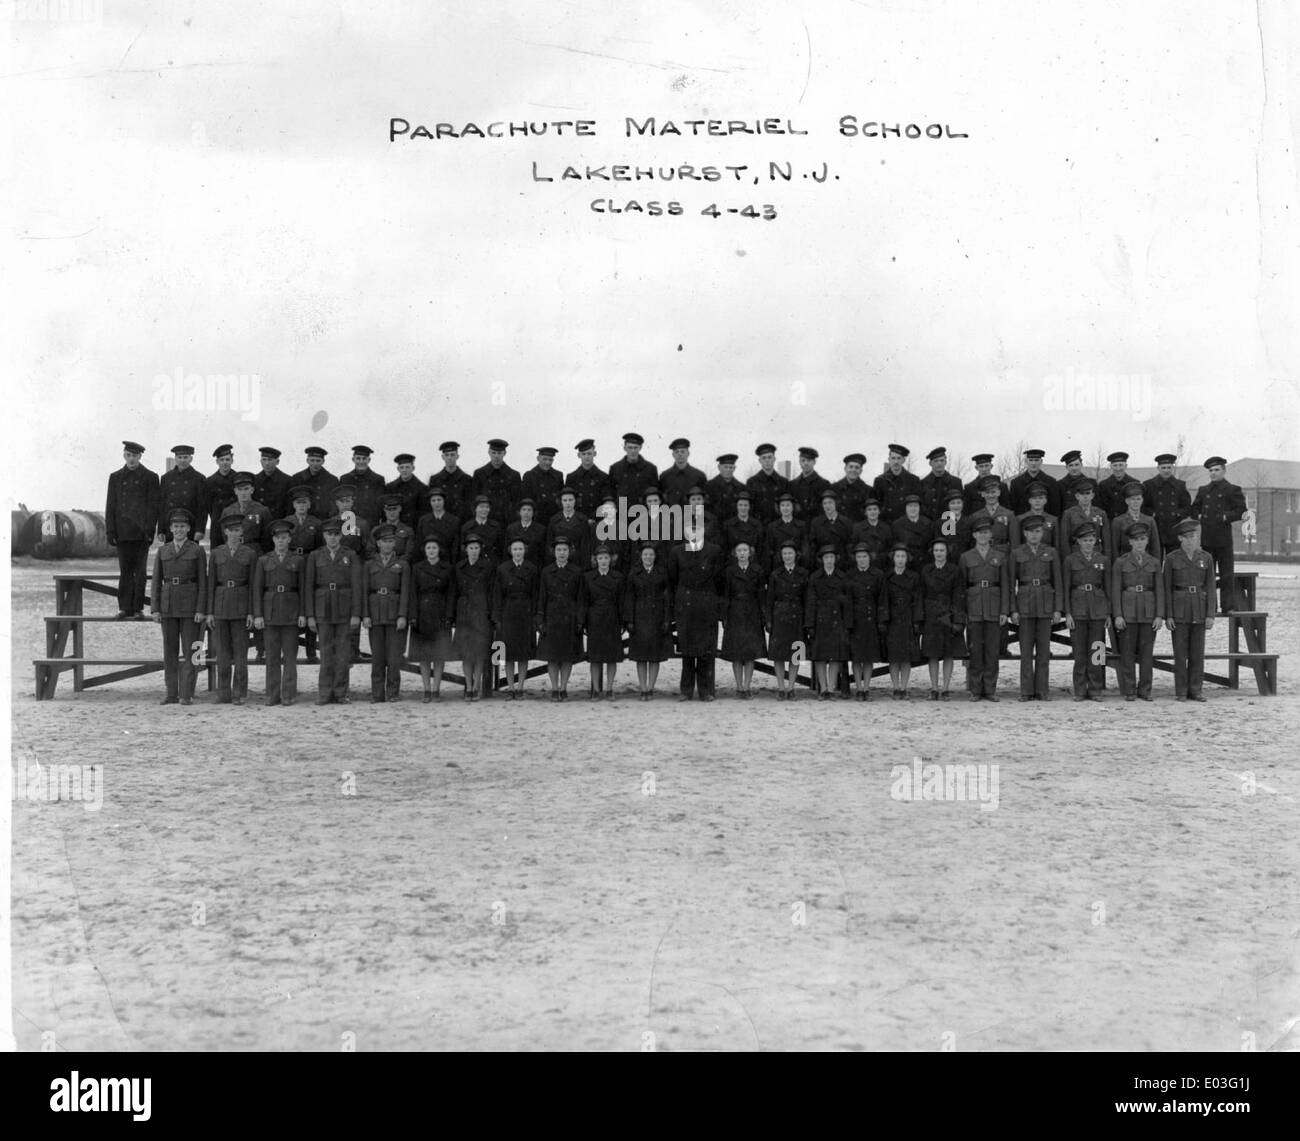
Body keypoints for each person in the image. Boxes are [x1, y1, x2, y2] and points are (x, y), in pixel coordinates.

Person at [151, 508, 206, 705]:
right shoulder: (163, 550)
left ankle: (187, 694)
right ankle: (171, 693)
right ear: (171, 529)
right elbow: (156, 581)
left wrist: (201, 609)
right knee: (169, 651)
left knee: (193, 651)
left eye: (183, 526)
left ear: (189, 528)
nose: (179, 530)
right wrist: (155, 608)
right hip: (168, 606)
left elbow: (203, 582)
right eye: (176, 527)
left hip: (190, 607)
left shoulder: (197, 550)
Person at [305, 517, 362, 705]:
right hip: (323, 608)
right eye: (329, 534)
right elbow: (309, 586)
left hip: (344, 608)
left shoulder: (350, 555)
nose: (333, 538)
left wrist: (355, 614)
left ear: (341, 536)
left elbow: (356, 585)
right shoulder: (315, 556)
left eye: (336, 534)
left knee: (343, 654)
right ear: (323, 536)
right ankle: (324, 693)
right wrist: (311, 616)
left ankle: (340, 693)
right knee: (326, 652)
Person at [252, 519, 306, 706]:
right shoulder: (264, 560)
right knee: (272, 657)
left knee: (290, 657)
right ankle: (272, 694)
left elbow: (303, 589)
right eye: (278, 538)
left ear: (290, 540)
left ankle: (289, 694)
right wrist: (258, 614)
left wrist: (302, 614)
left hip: (291, 612)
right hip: (270, 612)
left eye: (285, 538)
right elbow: (257, 589)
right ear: (273, 540)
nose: (281, 541)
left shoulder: (298, 560)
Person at [668, 520, 723, 701]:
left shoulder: (714, 551)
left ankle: (706, 690)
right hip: (687, 604)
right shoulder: (677, 552)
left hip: (707, 603)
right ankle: (686, 690)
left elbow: (718, 578)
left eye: (697, 529)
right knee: (688, 650)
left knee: (707, 650)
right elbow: (674, 579)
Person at [1010, 516, 1063, 701]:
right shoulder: (1017, 553)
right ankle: (1026, 691)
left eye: (1038, 531)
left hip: (1045, 603)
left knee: (1043, 650)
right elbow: (1011, 583)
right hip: (1025, 603)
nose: (1035, 535)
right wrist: (1013, 610)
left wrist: (1057, 609)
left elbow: (1058, 581)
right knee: (1025, 651)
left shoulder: (1051, 552)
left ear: (1042, 533)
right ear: (1025, 533)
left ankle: (1042, 690)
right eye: (1031, 531)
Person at [206, 513, 257, 704]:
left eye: (238, 530)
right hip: (220, 607)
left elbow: (253, 585)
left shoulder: (249, 554)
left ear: (242, 531)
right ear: (225, 532)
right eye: (231, 530)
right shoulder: (217, 553)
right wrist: (210, 611)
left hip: (241, 607)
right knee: (223, 654)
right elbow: (211, 583)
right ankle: (223, 692)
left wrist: (252, 611)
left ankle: (239, 693)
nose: (234, 534)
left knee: (241, 654)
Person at [106, 441, 160, 619]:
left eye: (135, 456)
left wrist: (149, 532)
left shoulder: (150, 477)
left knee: (140, 572)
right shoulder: (115, 477)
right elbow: (111, 506)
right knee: (125, 571)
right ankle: (124, 608)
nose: (131, 459)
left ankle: (137, 609)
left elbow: (153, 508)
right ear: (124, 455)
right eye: (128, 455)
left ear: (140, 457)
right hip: (122, 533)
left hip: (140, 534)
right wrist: (110, 531)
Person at [1163, 518, 1216, 701]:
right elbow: (1167, 588)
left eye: (1193, 536)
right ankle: (1181, 691)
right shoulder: (1171, 559)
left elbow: (1210, 587)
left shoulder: (1206, 558)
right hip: (1179, 610)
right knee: (1180, 655)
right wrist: (1168, 615)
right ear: (1180, 539)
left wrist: (1210, 614)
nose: (1190, 540)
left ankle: (1196, 690)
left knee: (1197, 654)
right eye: (1186, 537)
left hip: (1199, 610)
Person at [1111, 521, 1164, 701]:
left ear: (1147, 541)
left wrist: (1159, 615)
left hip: (1148, 612)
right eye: (1136, 540)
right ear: (1130, 542)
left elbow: (1159, 590)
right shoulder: (1121, 562)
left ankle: (1145, 690)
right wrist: (1118, 614)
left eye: (1143, 539)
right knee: (1127, 653)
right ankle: (1130, 690)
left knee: (1146, 654)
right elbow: (1115, 589)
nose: (1140, 543)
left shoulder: (1155, 563)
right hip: (1128, 612)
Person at [958, 518, 1010, 701]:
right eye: (980, 533)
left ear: (990, 535)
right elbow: (962, 587)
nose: (983, 535)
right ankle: (975, 690)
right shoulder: (966, 557)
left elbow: (1006, 585)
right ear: (974, 535)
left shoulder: (1000, 556)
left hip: (994, 607)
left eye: (986, 532)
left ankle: (990, 690)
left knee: (992, 651)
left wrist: (1004, 611)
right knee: (975, 651)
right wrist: (963, 612)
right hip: (974, 607)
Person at [1191, 456, 1248, 614]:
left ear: (1224, 471)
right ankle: (1211, 607)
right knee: (1207, 575)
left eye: (1217, 470)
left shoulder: (1232, 490)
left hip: (1224, 539)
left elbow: (1241, 510)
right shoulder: (1203, 490)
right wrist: (1199, 516)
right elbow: (1194, 509)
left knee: (1226, 575)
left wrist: (1226, 516)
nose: (1213, 473)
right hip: (1207, 539)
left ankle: (1228, 606)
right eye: (1211, 470)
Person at [362, 523, 411, 702]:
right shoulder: (369, 565)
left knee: (394, 657)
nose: (388, 544)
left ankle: (392, 692)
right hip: (375, 614)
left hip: (394, 614)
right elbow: (365, 591)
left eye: (391, 541)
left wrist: (402, 615)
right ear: (378, 544)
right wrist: (365, 615)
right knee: (377, 657)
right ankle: (377, 693)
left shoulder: (402, 565)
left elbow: (405, 591)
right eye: (385, 541)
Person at [1062, 522, 1110, 701]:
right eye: (1085, 540)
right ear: (1078, 542)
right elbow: (1066, 587)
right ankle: (1080, 690)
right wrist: (1068, 613)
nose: (1089, 543)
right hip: (1078, 610)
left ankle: (1096, 689)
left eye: (1091, 540)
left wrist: (1108, 613)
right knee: (1080, 652)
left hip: (1098, 610)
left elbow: (1108, 588)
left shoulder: (1103, 560)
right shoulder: (1070, 560)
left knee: (1097, 652)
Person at [536, 535, 585, 701]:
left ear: (570, 552)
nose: (562, 553)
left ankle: (564, 687)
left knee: (566, 656)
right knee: (552, 656)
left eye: (565, 550)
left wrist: (579, 620)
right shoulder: (546, 571)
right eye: (559, 550)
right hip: (551, 616)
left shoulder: (577, 571)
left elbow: (580, 598)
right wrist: (540, 619)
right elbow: (542, 596)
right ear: (553, 552)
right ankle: (554, 688)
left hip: (569, 616)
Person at [408, 537, 456, 702]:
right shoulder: (417, 568)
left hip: (440, 612)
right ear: (424, 550)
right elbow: (412, 594)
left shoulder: (447, 569)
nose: (431, 551)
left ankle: (436, 689)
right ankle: (426, 690)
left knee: (439, 655)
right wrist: (413, 616)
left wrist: (449, 615)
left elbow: (451, 594)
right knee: (424, 655)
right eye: (428, 548)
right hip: (422, 612)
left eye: (434, 548)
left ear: (439, 550)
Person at [622, 541, 671, 700]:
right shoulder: (633, 574)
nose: (648, 557)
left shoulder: (662, 573)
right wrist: (629, 619)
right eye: (645, 554)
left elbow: (667, 598)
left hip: (657, 616)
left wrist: (666, 619)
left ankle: (651, 687)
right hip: (639, 617)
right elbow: (629, 597)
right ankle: (643, 688)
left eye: (651, 554)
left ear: (655, 556)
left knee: (654, 655)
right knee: (641, 655)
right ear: (640, 556)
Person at [492, 538, 539, 699]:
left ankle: (520, 687)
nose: (518, 552)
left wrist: (535, 615)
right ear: (510, 551)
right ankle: (510, 687)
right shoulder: (502, 569)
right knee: (508, 653)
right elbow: (497, 594)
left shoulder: (532, 569)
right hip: (508, 612)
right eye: (515, 549)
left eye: (520, 549)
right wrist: (497, 616)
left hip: (525, 612)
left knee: (523, 653)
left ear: (524, 551)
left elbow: (536, 594)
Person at [920, 537, 966, 700]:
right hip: (931, 615)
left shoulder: (954, 570)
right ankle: (934, 687)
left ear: (947, 552)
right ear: (932, 553)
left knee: (948, 654)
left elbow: (958, 595)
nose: (939, 553)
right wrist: (921, 617)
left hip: (948, 615)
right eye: (936, 550)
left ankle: (945, 688)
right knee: (932, 654)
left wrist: (957, 619)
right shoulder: (926, 570)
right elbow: (921, 594)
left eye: (942, 550)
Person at [804, 545, 851, 700]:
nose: (829, 561)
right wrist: (810, 624)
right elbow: (810, 601)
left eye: (831, 558)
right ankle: (823, 688)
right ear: (822, 560)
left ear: (835, 560)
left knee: (835, 655)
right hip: (820, 619)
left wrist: (847, 623)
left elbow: (847, 602)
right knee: (820, 655)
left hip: (838, 620)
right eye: (826, 558)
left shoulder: (843, 577)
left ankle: (831, 688)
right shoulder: (815, 577)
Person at [721, 540, 767, 698]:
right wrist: (724, 616)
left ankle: (747, 686)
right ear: (735, 553)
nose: (742, 553)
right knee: (736, 652)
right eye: (739, 550)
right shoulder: (729, 571)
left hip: (752, 612)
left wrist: (763, 615)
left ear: (750, 553)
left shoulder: (758, 570)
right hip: (735, 612)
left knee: (750, 652)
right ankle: (739, 686)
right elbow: (725, 594)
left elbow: (761, 595)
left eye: (745, 550)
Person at [452, 535, 494, 701]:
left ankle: (477, 685)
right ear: (466, 550)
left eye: (477, 548)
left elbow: (491, 591)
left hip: (481, 611)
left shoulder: (488, 567)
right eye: (471, 548)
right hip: (464, 611)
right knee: (466, 653)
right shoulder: (459, 567)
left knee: (479, 652)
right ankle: (468, 686)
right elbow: (454, 591)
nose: (474, 551)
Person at [766, 538, 809, 700]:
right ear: (781, 556)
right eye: (784, 553)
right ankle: (781, 687)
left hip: (797, 616)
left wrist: (807, 621)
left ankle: (791, 687)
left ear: (796, 555)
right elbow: (769, 599)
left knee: (795, 654)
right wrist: (769, 619)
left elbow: (807, 599)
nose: (787, 556)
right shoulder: (775, 574)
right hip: (779, 616)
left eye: (790, 553)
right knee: (778, 654)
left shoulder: (803, 574)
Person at [845, 540, 888, 700]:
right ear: (855, 558)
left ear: (869, 558)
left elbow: (882, 599)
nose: (862, 559)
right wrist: (848, 622)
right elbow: (847, 600)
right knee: (856, 657)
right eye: (859, 556)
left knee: (868, 656)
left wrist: (882, 620)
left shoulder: (878, 575)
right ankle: (858, 687)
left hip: (871, 619)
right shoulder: (850, 575)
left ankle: (866, 687)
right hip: (855, 619)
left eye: (864, 556)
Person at [583, 543, 625, 699]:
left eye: (606, 558)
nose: (603, 561)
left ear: (611, 560)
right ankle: (595, 688)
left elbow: (622, 601)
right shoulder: (588, 577)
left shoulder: (618, 577)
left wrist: (622, 621)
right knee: (595, 657)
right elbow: (584, 601)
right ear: (595, 560)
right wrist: (584, 621)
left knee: (611, 656)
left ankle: (609, 689)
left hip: (612, 618)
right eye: (600, 558)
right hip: (594, 618)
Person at [883, 542, 923, 698]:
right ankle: (895, 687)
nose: (900, 559)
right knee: (894, 657)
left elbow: (918, 599)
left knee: (906, 657)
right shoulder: (887, 577)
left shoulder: (913, 577)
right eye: (897, 556)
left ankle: (904, 687)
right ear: (893, 558)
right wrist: (884, 619)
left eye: (903, 556)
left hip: (907, 618)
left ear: (907, 559)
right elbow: (883, 600)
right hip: (892, 619)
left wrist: (916, 620)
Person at [1142, 453, 1192, 553]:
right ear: (1158, 468)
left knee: (1175, 561)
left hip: (1174, 529)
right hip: (1156, 528)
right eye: (1163, 467)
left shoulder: (1180, 485)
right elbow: (1143, 506)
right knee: (1155, 560)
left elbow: (1187, 506)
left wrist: (1178, 514)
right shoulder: (1148, 485)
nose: (1166, 470)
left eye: (1169, 467)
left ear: (1172, 468)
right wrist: (1152, 514)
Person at [157, 444, 207, 543]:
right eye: (179, 457)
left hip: (191, 527)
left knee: (191, 556)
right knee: (169, 556)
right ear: (175, 459)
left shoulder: (199, 478)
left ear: (191, 459)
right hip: (170, 526)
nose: (182, 460)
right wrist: (160, 530)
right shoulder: (166, 478)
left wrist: (200, 529)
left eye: (185, 457)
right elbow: (161, 506)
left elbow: (202, 507)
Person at [473, 438, 522, 526]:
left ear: (504, 453)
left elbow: (517, 502)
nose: (496, 456)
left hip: (507, 522)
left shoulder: (514, 475)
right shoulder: (480, 474)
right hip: (486, 521)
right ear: (489, 452)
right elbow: (475, 500)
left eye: (499, 453)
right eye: (493, 453)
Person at [1110, 482, 1162, 561]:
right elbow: (1115, 548)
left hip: (1146, 563)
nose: (1136, 502)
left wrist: (1156, 566)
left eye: (1138, 499)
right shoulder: (1118, 521)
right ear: (1127, 501)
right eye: (1133, 499)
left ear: (1142, 500)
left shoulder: (1149, 520)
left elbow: (1155, 547)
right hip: (1125, 563)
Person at [872, 444, 923, 523]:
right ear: (889, 459)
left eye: (899, 458)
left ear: (903, 460)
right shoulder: (880, 480)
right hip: (886, 524)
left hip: (906, 524)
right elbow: (876, 505)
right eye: (893, 458)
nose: (896, 461)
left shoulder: (913, 480)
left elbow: (917, 505)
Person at [968, 475, 1019, 554]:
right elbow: (972, 542)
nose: (991, 496)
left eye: (993, 492)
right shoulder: (975, 516)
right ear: (982, 494)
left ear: (999, 492)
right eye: (987, 492)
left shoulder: (1009, 515)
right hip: (982, 554)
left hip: (1003, 555)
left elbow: (1014, 543)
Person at [1060, 479, 1110, 558]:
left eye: (1088, 493)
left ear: (1092, 495)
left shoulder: (1101, 513)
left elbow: (1106, 540)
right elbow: (1064, 540)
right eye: (1082, 494)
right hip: (1076, 553)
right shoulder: (1069, 513)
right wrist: (1067, 559)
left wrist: (1106, 558)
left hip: (1096, 553)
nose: (1085, 496)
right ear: (1077, 496)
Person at [413, 485, 460, 566]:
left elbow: (455, 546)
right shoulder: (424, 520)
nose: (436, 503)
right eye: (433, 500)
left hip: (446, 562)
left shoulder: (454, 521)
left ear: (444, 501)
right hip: (427, 562)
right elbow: (419, 544)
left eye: (439, 500)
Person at [227, 471, 273, 554]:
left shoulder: (262, 510)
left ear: (252, 490)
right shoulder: (228, 511)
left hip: (255, 552)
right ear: (235, 491)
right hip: (234, 551)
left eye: (246, 489)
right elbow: (224, 535)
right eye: (240, 489)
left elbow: (267, 537)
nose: (243, 493)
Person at [608, 432, 659, 506]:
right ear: (624, 448)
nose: (633, 451)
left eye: (635, 447)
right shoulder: (615, 468)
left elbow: (655, 493)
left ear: (640, 447)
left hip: (643, 511)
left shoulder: (650, 469)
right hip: (622, 511)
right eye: (630, 447)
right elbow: (611, 492)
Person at [289, 446, 339, 520]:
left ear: (323, 461)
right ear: (307, 461)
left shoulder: (332, 480)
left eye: (318, 461)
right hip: (304, 520)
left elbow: (335, 503)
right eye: (312, 460)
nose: (315, 464)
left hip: (326, 520)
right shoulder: (297, 479)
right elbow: (291, 503)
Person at [430, 441, 474, 523]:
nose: (450, 458)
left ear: (457, 456)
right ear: (443, 457)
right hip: (442, 522)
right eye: (447, 455)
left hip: (462, 521)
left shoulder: (467, 480)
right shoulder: (435, 480)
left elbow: (470, 505)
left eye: (452, 454)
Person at [1010, 448, 1062, 517]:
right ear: (1026, 462)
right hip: (1023, 523)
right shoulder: (1016, 483)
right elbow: (1013, 508)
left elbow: (1055, 508)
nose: (1033, 463)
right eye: (1031, 460)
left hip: (1045, 524)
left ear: (1041, 461)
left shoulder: (1051, 482)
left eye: (1036, 460)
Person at [722, 490, 765, 572]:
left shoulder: (757, 524)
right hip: (733, 564)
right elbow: (725, 547)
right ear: (736, 506)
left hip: (752, 564)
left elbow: (760, 547)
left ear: (749, 507)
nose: (743, 508)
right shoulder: (728, 524)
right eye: (740, 505)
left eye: (746, 505)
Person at [567, 438, 610, 519]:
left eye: (589, 453)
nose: (587, 457)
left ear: (595, 454)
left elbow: (606, 502)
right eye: (584, 454)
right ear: (579, 455)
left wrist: (595, 518)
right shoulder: (571, 478)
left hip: (598, 520)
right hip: (577, 521)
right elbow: (568, 502)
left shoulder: (603, 477)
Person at [746, 443, 789, 524]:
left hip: (778, 527)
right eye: (764, 458)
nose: (767, 460)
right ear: (760, 461)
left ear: (774, 459)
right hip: (758, 526)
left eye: (770, 457)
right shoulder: (752, 482)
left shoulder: (783, 482)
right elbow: (749, 508)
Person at [809, 489, 853, 567]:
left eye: (830, 502)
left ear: (836, 503)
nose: (827, 506)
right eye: (824, 503)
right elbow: (813, 545)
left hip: (841, 563)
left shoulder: (846, 522)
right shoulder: (816, 522)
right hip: (822, 563)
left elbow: (849, 545)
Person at [919, 447, 963, 523]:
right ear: (930, 463)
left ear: (946, 462)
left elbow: (961, 506)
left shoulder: (956, 482)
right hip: (929, 525)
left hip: (950, 524)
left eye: (942, 460)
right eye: (936, 461)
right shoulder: (923, 483)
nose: (939, 463)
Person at [344, 445, 386, 526]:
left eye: (364, 458)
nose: (361, 461)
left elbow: (381, 505)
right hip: (350, 523)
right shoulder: (345, 479)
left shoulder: (378, 480)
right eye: (358, 458)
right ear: (353, 459)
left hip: (370, 523)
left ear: (369, 460)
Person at [547, 487, 590, 567]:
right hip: (559, 561)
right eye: (565, 500)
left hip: (577, 561)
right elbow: (549, 544)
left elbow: (585, 545)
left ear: (575, 501)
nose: (568, 503)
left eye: (570, 500)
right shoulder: (554, 520)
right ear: (560, 502)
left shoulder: (582, 520)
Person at [660, 437, 708, 508]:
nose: (680, 454)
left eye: (682, 451)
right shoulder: (665, 476)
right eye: (677, 452)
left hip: (692, 516)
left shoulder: (699, 475)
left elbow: (704, 499)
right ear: (673, 454)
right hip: (671, 516)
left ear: (688, 453)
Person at [522, 446, 565, 524]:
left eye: (550, 460)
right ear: (538, 458)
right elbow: (525, 500)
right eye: (544, 459)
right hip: (536, 519)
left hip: (554, 518)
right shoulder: (529, 476)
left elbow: (561, 498)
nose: (547, 462)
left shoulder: (558, 476)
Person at [766, 491, 807, 570]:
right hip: (778, 566)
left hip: (797, 565)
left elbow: (805, 549)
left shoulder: (801, 525)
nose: (785, 508)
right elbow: (769, 550)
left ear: (793, 507)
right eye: (783, 505)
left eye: (788, 505)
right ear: (779, 508)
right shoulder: (772, 526)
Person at [849, 497, 893, 570]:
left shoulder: (886, 528)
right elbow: (851, 549)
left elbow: (890, 549)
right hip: (863, 567)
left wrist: (881, 557)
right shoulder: (857, 528)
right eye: (869, 509)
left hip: (882, 566)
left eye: (875, 509)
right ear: (865, 512)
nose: (872, 512)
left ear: (879, 511)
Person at [205, 444, 238, 539]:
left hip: (235, 523)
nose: (225, 463)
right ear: (217, 461)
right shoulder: (210, 481)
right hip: (217, 523)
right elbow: (208, 505)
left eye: (227, 459)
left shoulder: (238, 479)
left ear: (232, 460)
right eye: (222, 460)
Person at [385, 453, 427, 528]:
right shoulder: (391, 488)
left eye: (407, 467)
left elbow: (424, 513)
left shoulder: (422, 488)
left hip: (414, 527)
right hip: (395, 528)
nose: (404, 470)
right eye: (402, 467)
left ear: (413, 468)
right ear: (398, 469)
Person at [891, 493, 934, 565]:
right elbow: (895, 545)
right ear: (905, 508)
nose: (913, 509)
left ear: (919, 508)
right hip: (905, 562)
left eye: (915, 506)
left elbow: (930, 544)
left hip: (923, 561)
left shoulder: (928, 523)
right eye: (910, 506)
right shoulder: (897, 524)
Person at [461, 494, 504, 565]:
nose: (485, 510)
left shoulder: (496, 526)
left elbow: (500, 548)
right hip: (474, 564)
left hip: (491, 563)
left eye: (487, 507)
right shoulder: (467, 527)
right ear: (475, 509)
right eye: (481, 507)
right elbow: (463, 550)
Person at [253, 446, 292, 522]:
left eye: (270, 460)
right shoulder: (255, 480)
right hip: (259, 522)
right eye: (264, 460)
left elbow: (289, 507)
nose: (267, 463)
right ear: (260, 461)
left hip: (279, 523)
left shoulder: (287, 481)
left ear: (277, 462)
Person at [506, 498, 548, 568]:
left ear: (533, 512)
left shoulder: (541, 529)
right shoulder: (511, 528)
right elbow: (506, 552)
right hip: (515, 566)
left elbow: (542, 553)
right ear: (519, 512)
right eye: (524, 509)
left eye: (529, 510)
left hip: (534, 566)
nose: (526, 512)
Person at [831, 453, 872, 524]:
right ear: (845, 469)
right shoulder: (834, 488)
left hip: (858, 531)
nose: (853, 470)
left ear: (861, 471)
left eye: (857, 467)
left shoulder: (868, 490)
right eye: (851, 467)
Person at [1015, 482, 1058, 550]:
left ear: (1045, 501)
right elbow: (1017, 544)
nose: (1037, 501)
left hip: (1047, 556)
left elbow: (1056, 545)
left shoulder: (1053, 520)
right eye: (1034, 498)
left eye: (1040, 498)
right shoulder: (1020, 519)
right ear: (1030, 500)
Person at [706, 454, 746, 524]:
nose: (728, 470)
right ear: (719, 467)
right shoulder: (709, 486)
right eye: (725, 467)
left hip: (734, 527)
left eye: (730, 467)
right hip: (714, 526)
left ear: (734, 468)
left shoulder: (741, 487)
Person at [1096, 451, 1134, 519]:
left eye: (1121, 465)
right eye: (1115, 465)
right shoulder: (1103, 485)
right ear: (1111, 467)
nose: (1118, 468)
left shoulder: (1133, 483)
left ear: (1126, 466)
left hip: (1129, 524)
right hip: (1110, 523)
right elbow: (1100, 508)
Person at [936, 491, 971, 559]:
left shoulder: (969, 522)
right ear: (948, 505)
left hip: (965, 559)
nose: (956, 506)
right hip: (947, 560)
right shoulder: (940, 523)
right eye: (952, 503)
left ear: (963, 504)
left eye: (958, 502)